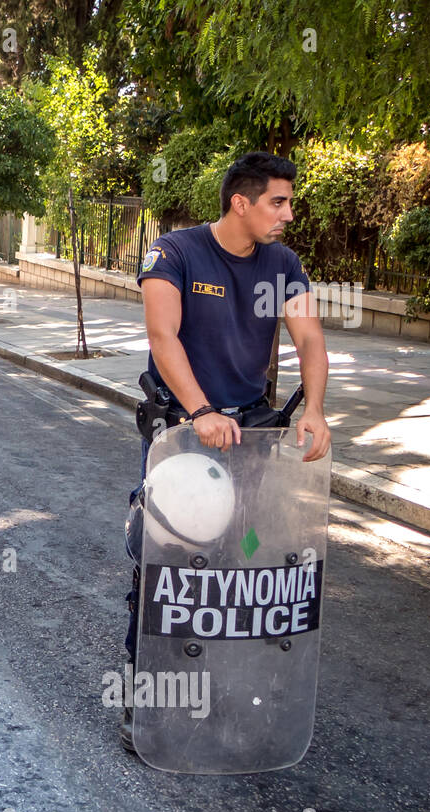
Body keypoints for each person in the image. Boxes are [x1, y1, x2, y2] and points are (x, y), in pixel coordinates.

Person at [120, 150, 332, 749]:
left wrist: (313, 407)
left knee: (243, 557)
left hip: (249, 439)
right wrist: (200, 410)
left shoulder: (282, 265)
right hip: (184, 438)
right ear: (242, 202)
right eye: (278, 201)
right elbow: (162, 337)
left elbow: (311, 341)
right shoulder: (177, 252)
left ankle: (220, 681)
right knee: (168, 565)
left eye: (289, 201)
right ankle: (148, 694)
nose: (289, 214)